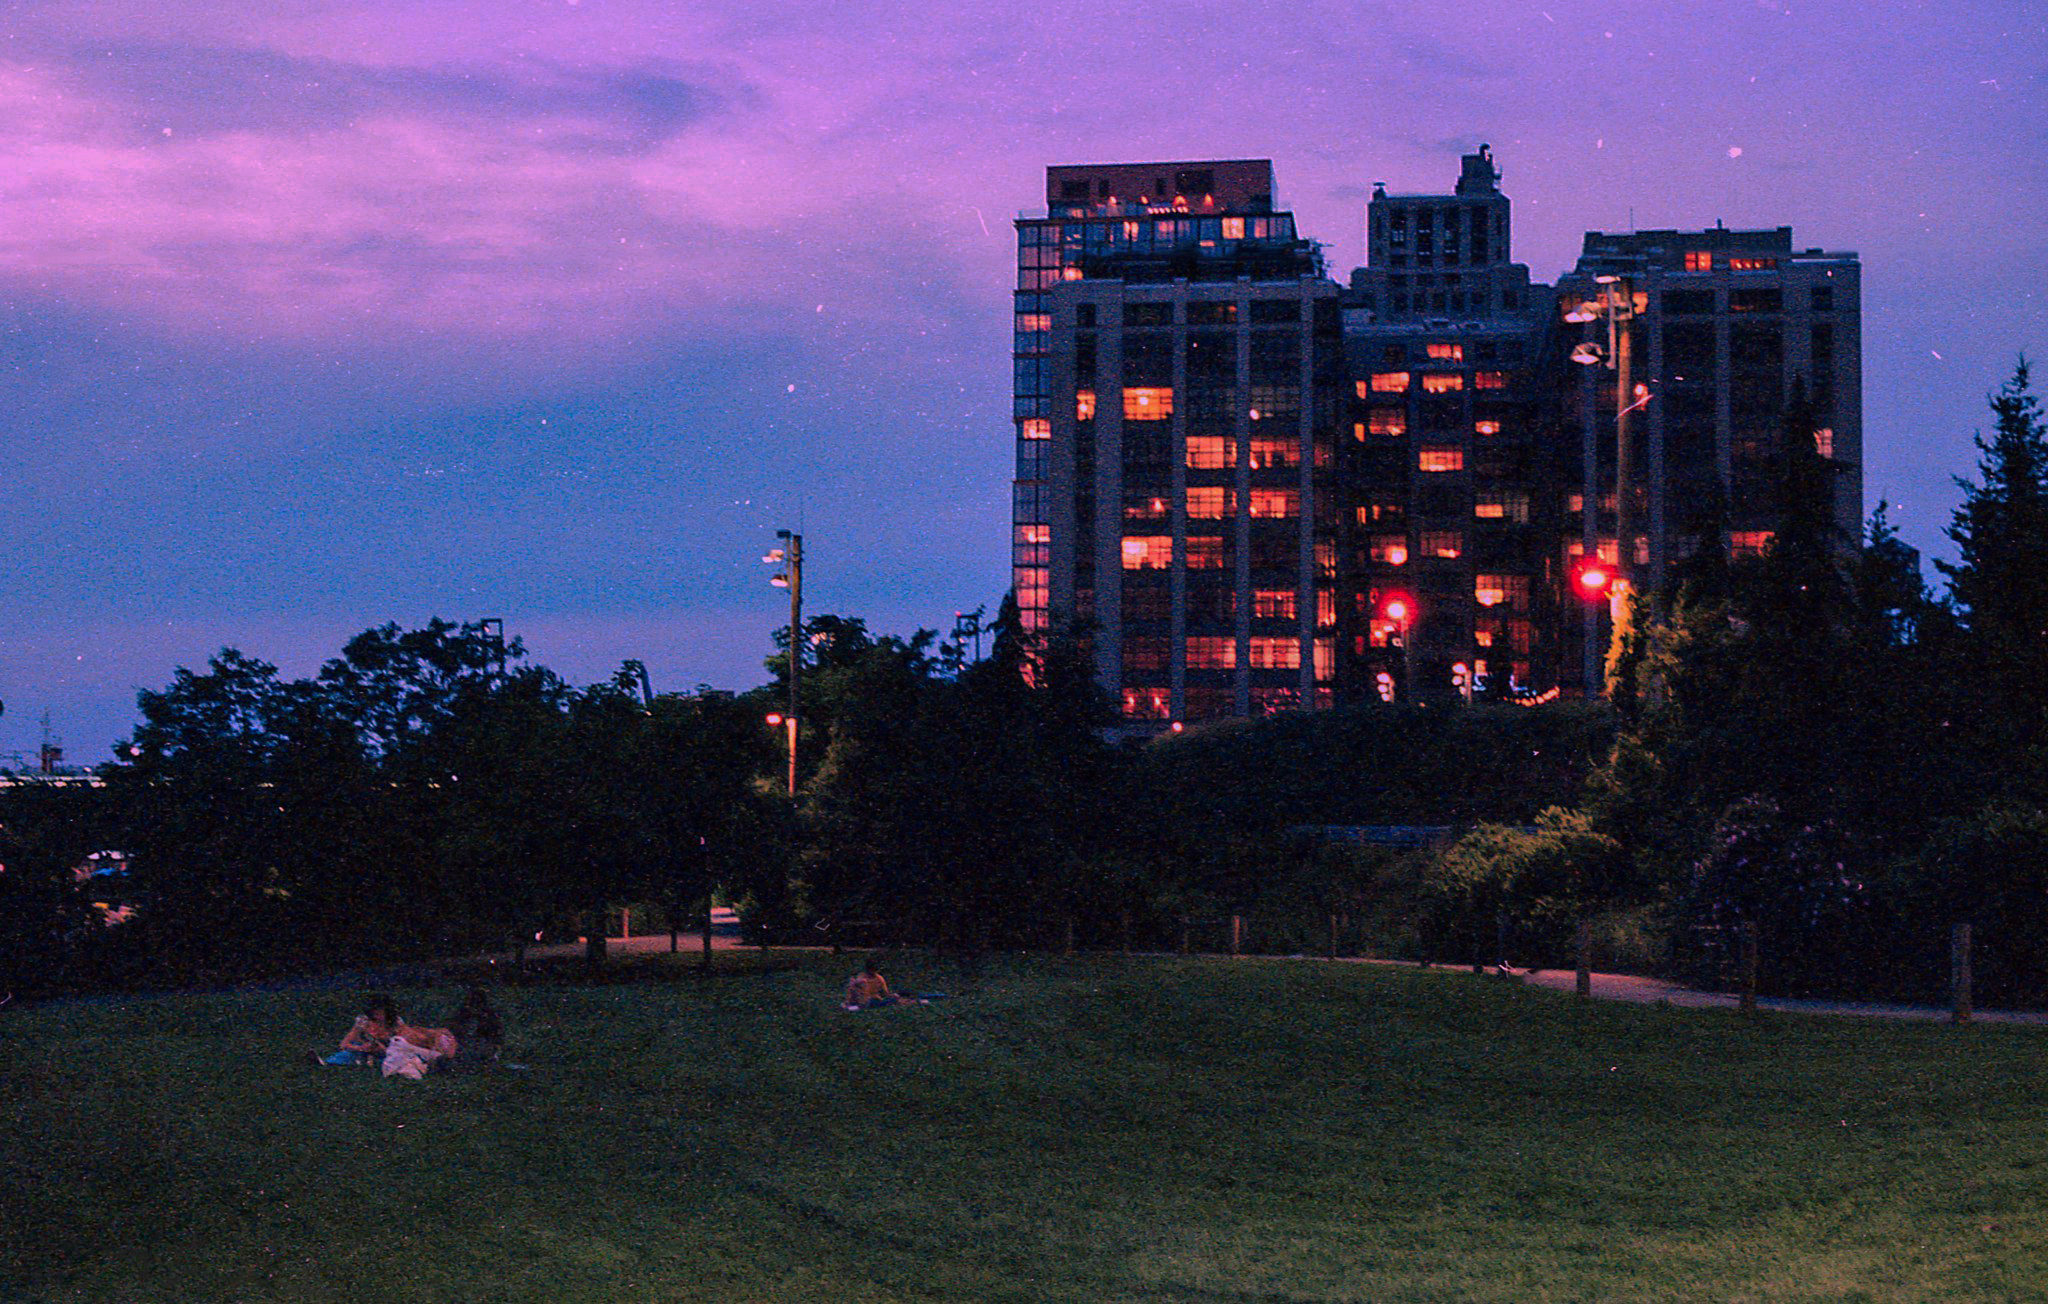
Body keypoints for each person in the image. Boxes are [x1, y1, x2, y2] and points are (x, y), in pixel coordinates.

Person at [312, 994, 397, 1067]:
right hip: (364, 1052)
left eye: (381, 1012)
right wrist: (361, 1048)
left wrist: (384, 1049)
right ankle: (327, 1062)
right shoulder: (363, 1022)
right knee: (348, 1054)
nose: (378, 1016)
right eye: (375, 1013)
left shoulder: (396, 1023)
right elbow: (344, 1044)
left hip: (388, 1053)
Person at [443, 986, 503, 1071]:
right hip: (466, 1046)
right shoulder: (464, 1014)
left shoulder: (488, 1016)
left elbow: (496, 1035)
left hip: (479, 1045)